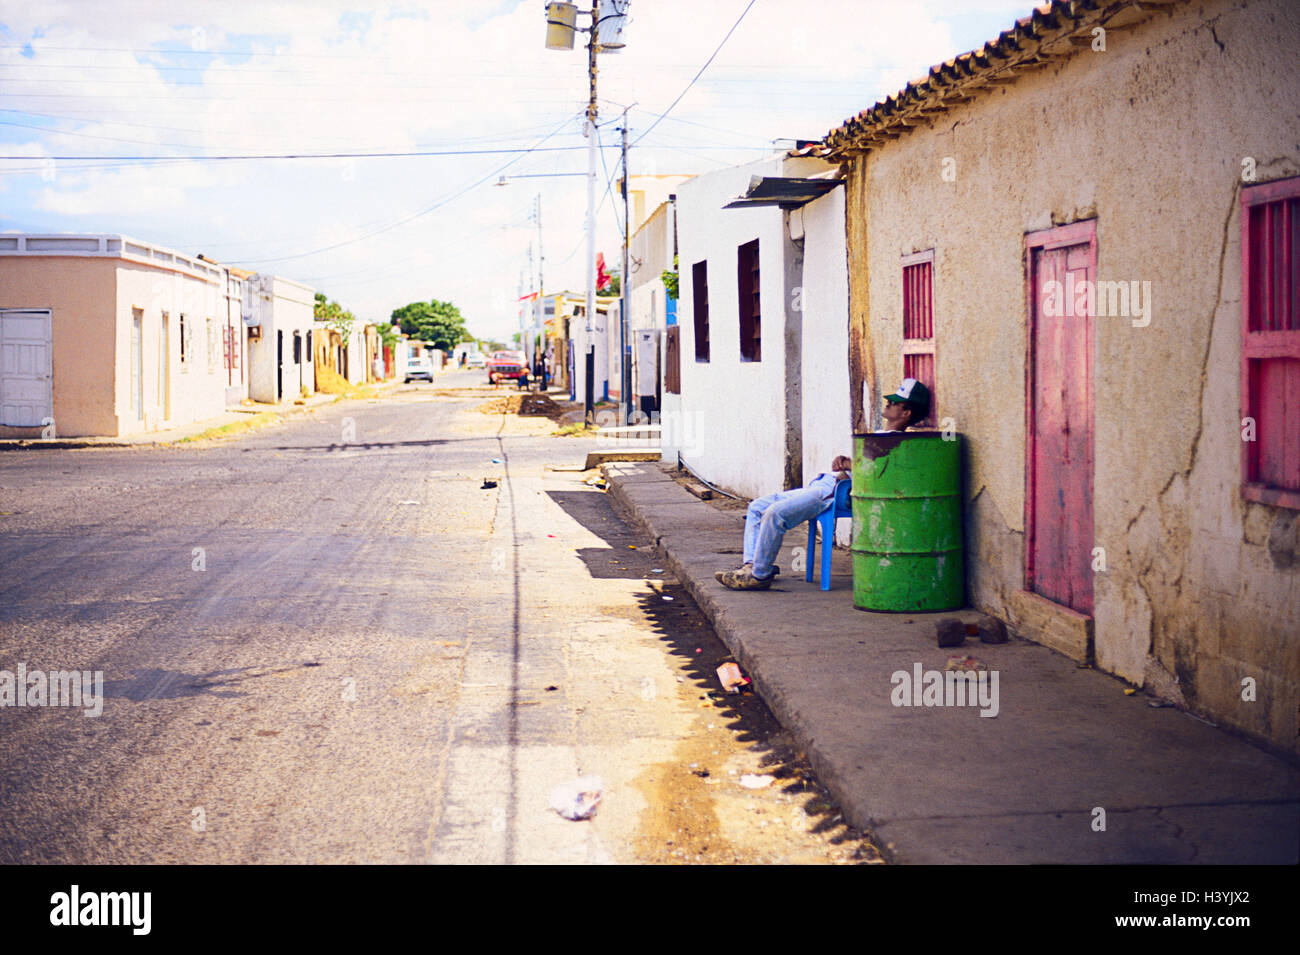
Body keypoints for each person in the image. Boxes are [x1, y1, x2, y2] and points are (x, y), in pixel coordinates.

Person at [715, 378, 931, 591]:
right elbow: (864, 465)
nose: (889, 404)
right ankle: (752, 566)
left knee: (775, 514)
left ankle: (759, 577)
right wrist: (846, 461)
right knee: (757, 507)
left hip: (835, 492)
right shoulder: (882, 435)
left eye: (895, 403)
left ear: (906, 413)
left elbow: (876, 476)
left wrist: (848, 468)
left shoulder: (895, 442)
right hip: (825, 484)